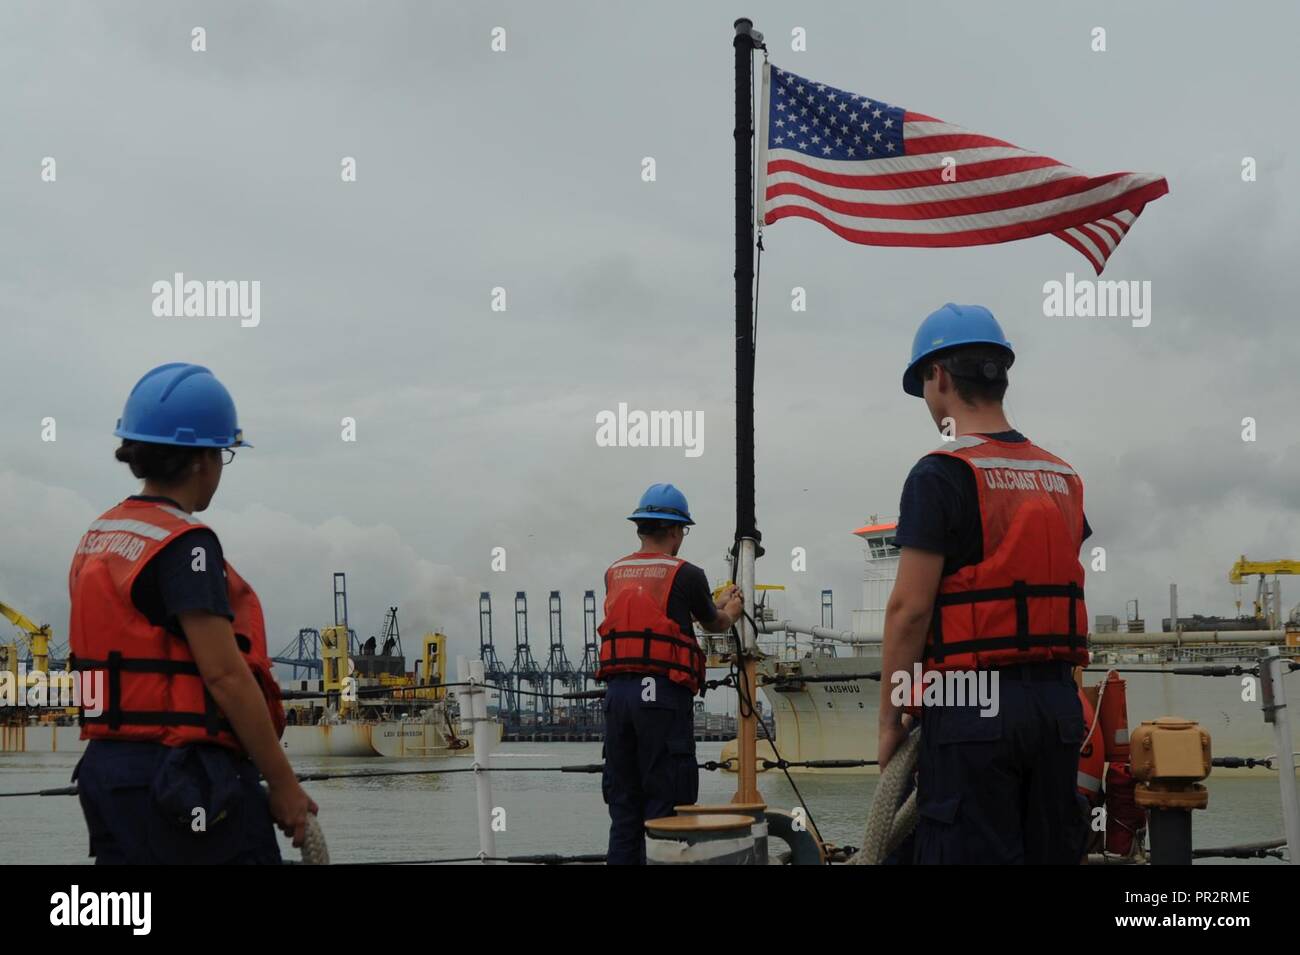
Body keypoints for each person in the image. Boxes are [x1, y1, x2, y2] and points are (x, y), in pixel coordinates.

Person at [68, 362, 316, 864]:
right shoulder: (185, 545)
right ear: (204, 459)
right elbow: (225, 675)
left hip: (107, 773)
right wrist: (285, 787)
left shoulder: (101, 537)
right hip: (183, 779)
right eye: (224, 453)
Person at [878, 304, 1091, 864]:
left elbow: (908, 610)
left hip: (969, 702)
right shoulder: (1063, 477)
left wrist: (889, 720)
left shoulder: (940, 473)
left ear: (940, 377)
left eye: (924, 385)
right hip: (1056, 705)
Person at [596, 483, 744, 864]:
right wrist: (732, 610)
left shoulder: (614, 571)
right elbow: (713, 622)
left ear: (641, 527)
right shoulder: (688, 573)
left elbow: (657, 614)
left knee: (624, 805)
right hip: (661, 698)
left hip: (618, 697)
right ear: (677, 531)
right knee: (665, 805)